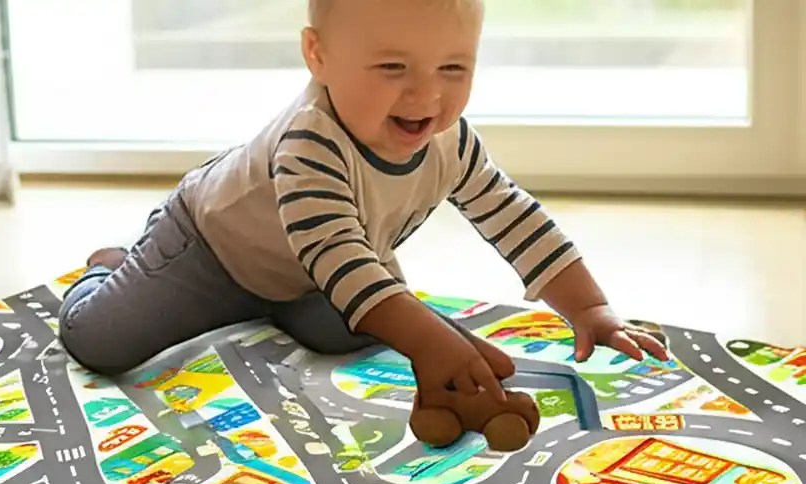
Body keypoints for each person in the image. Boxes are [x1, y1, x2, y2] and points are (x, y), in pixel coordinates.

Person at [57, 0, 669, 406]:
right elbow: (345, 261)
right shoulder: (311, 141)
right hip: (212, 248)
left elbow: (512, 217)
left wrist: (589, 308)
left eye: (453, 67)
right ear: (318, 56)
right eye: (391, 67)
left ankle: (278, 308)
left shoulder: (449, 139)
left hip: (307, 274)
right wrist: (433, 344)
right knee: (100, 343)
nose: (425, 93)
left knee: (352, 335)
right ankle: (115, 265)